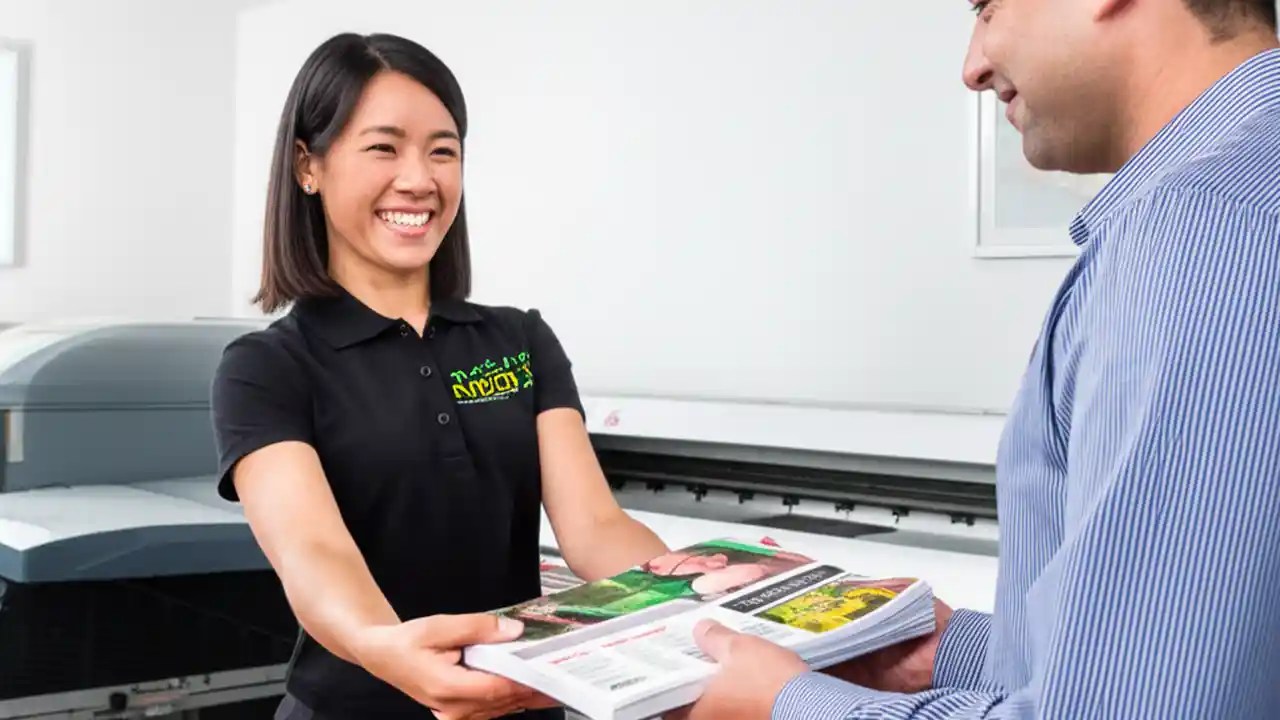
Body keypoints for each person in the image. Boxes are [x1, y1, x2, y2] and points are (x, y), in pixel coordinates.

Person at [670, 0, 1280, 718]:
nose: (973, 66)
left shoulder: (1204, 231)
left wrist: (782, 706)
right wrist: (944, 648)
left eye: (988, 9)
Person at [209, 32, 668, 720]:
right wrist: (383, 644)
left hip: (520, 701)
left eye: (443, 150)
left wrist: (701, 593)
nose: (420, 179)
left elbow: (596, 528)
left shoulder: (519, 340)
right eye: (383, 147)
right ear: (309, 165)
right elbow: (315, 552)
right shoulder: (266, 368)